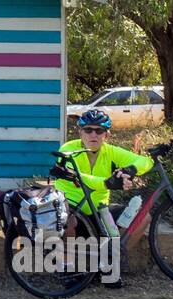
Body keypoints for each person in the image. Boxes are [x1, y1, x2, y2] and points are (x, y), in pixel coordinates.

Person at [51, 108, 154, 287]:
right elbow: (80, 178)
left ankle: (109, 263)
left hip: (99, 214)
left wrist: (131, 170)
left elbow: (146, 161)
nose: (94, 135)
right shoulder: (68, 150)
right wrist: (107, 183)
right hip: (73, 211)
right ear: (80, 132)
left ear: (106, 134)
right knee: (68, 219)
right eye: (88, 130)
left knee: (144, 217)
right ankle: (67, 268)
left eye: (99, 131)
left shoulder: (111, 151)